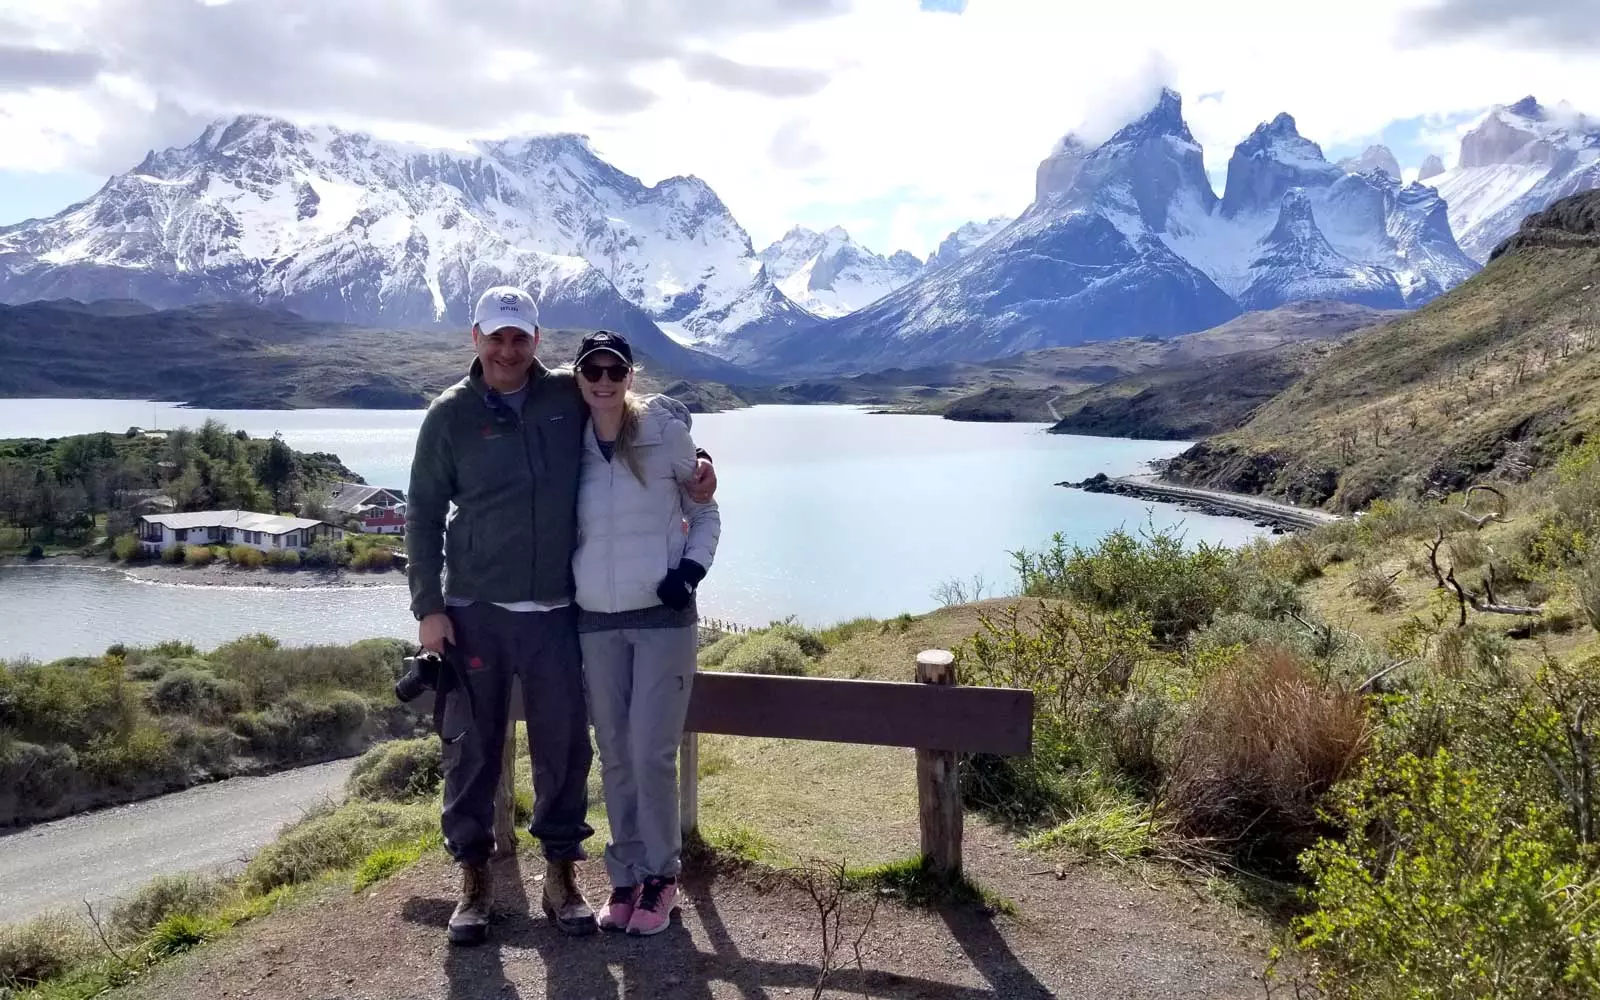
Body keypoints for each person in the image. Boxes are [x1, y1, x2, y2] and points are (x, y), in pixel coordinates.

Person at [405, 288, 716, 947]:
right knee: (470, 751)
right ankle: (474, 884)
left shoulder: (562, 396)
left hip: (557, 615)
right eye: (497, 337)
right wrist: (428, 607)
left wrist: (701, 459)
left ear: (537, 341)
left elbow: (645, 417)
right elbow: (424, 516)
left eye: (520, 337)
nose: (508, 349)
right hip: (475, 612)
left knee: (567, 751)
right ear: (477, 338)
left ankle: (563, 880)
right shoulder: (448, 417)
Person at [569, 331, 720, 937]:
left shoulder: (665, 433)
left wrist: (689, 571)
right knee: (614, 756)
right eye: (592, 371)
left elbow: (704, 507)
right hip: (595, 620)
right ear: (577, 376)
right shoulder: (565, 439)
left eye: (614, 370)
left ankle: (663, 877)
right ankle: (626, 876)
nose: (603, 381)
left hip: (662, 621)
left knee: (651, 754)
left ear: (630, 375)